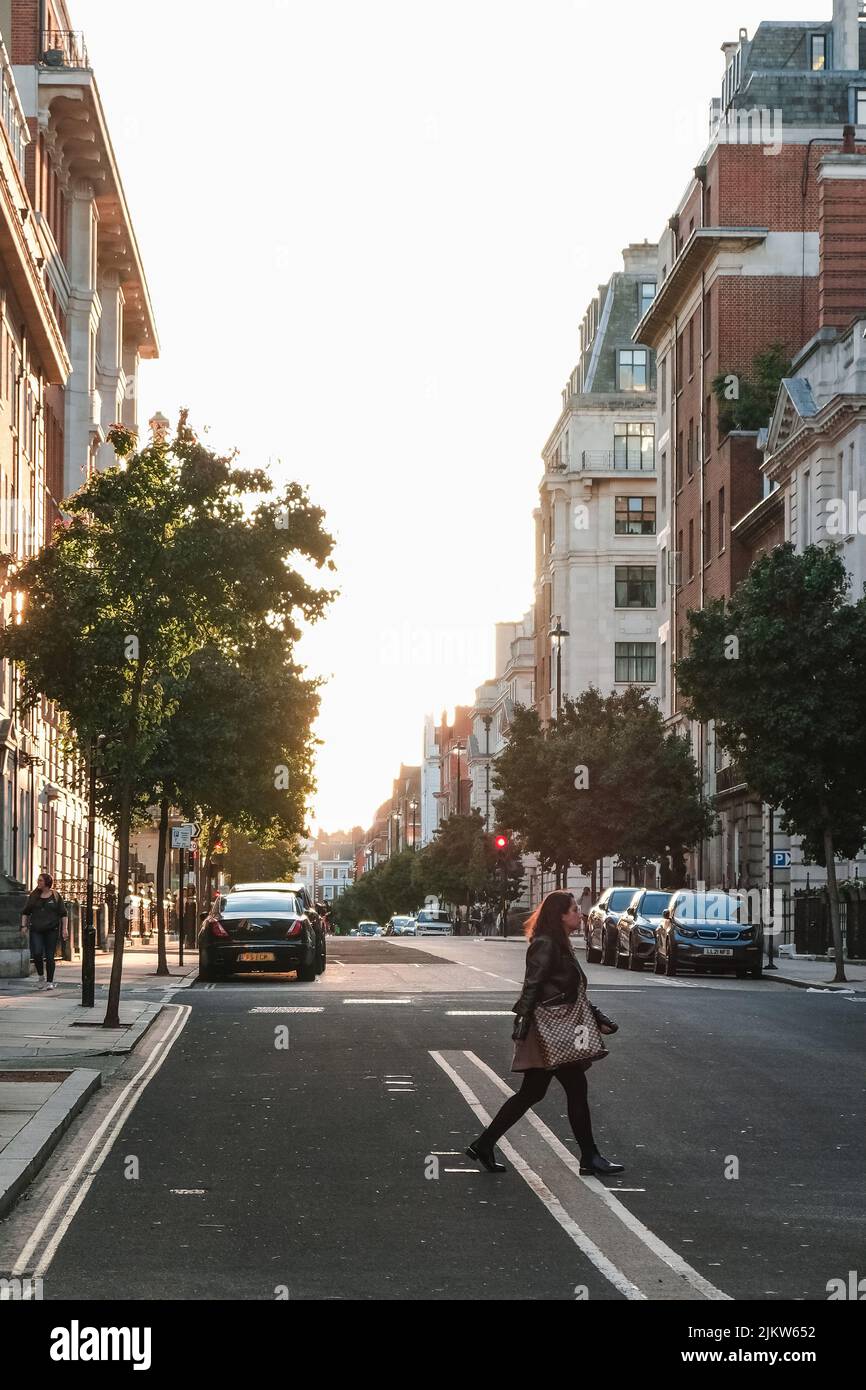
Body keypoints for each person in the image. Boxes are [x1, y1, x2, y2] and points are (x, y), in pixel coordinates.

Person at [466, 890, 624, 1177]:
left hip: (555, 1029)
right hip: (550, 1031)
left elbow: (569, 990)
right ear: (561, 915)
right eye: (575, 909)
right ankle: (590, 1157)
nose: (580, 914)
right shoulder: (545, 944)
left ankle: (484, 1144)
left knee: (532, 1093)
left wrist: (598, 1017)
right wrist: (523, 1023)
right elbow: (532, 985)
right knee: (573, 1088)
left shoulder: (558, 944)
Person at [20, 873, 69, 991]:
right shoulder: (34, 896)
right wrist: (23, 926)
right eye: (38, 880)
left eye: (41, 881)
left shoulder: (56, 896)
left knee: (50, 956)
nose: (38, 882)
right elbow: (25, 912)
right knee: (37, 953)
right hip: (36, 929)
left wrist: (64, 929)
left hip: (52, 930)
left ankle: (50, 981)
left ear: (47, 882)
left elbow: (64, 914)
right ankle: (41, 976)